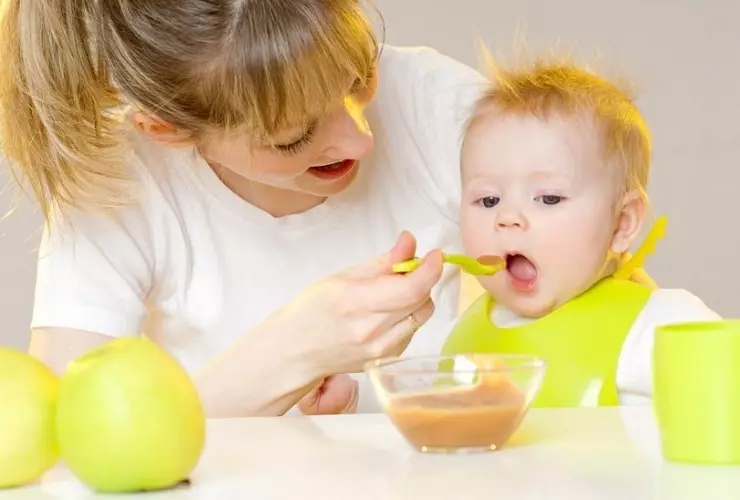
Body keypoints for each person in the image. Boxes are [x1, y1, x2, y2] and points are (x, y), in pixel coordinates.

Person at [0, 0, 649, 417]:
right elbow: (67, 444)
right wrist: (289, 355)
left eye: (358, 74)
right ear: (166, 130)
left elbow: (611, 302)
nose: (359, 137)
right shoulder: (115, 185)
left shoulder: (445, 108)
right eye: (292, 135)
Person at [440, 49, 720, 407]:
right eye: (489, 200)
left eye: (549, 198)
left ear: (622, 222)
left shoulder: (661, 324)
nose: (507, 218)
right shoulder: (463, 332)